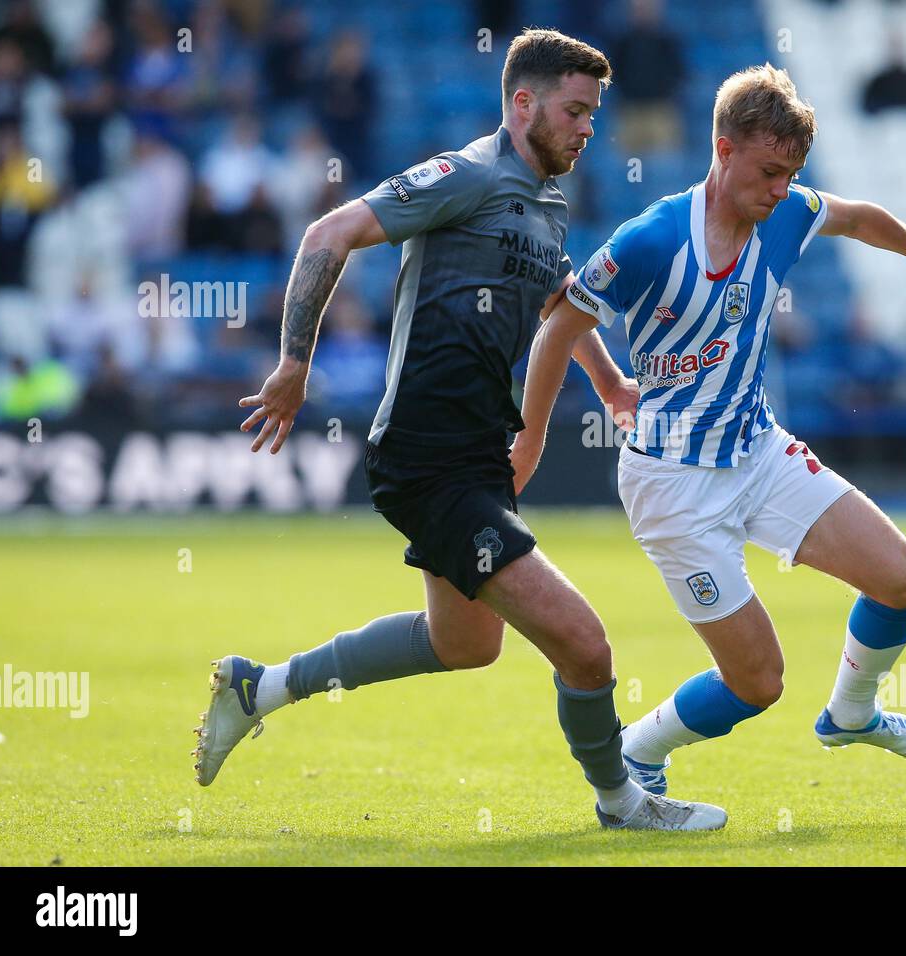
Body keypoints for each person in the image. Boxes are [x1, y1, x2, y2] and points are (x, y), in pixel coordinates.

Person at [193, 28, 726, 832]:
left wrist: (612, 382)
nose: (589, 128)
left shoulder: (547, 202)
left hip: (476, 457)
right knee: (584, 644)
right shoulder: (467, 174)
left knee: (466, 644)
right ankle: (622, 802)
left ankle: (257, 687)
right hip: (426, 456)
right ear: (523, 102)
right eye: (576, 111)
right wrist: (294, 363)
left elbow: (556, 301)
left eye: (594, 114)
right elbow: (327, 234)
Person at [512, 64, 906, 801]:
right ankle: (636, 749)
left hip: (758, 453)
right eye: (769, 171)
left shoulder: (789, 211)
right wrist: (545, 429)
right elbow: (559, 323)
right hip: (672, 488)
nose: (780, 189)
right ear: (725, 151)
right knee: (759, 682)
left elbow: (856, 216)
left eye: (791, 173)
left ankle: (851, 715)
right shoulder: (652, 239)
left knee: (904, 583)